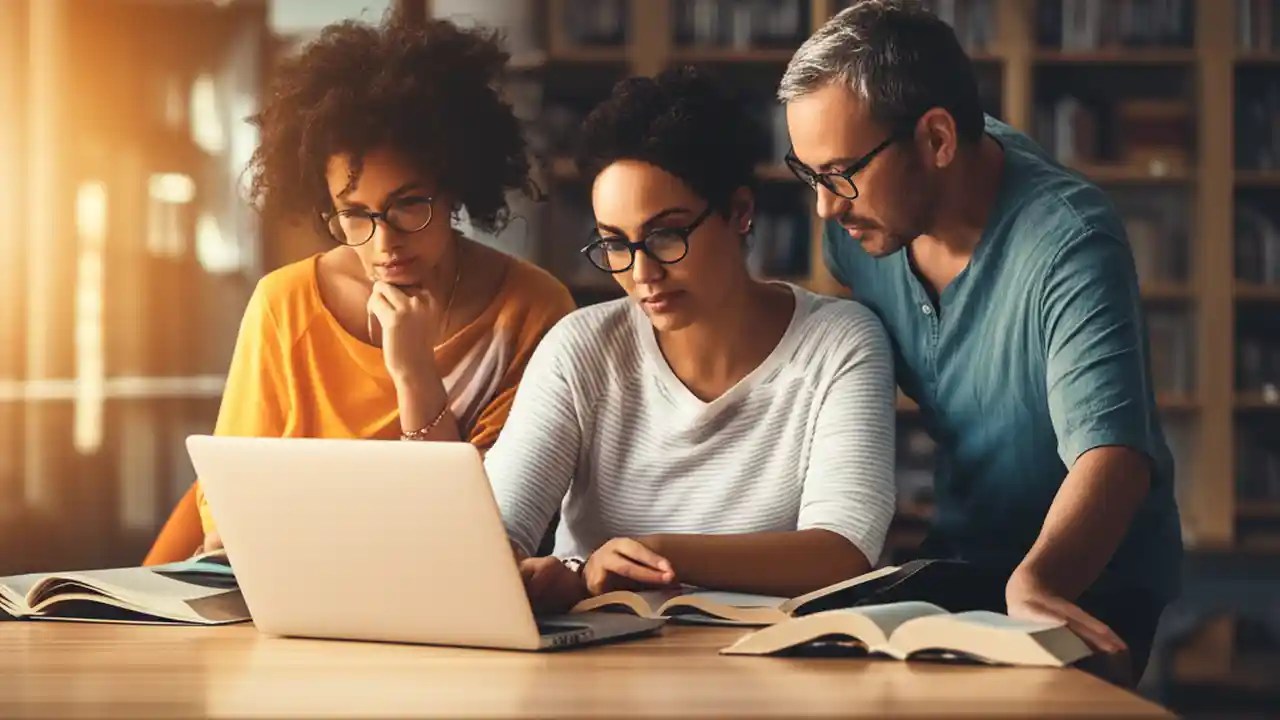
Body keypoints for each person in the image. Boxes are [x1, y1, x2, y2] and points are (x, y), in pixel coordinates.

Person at [779, 0, 1181, 680]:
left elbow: (1113, 455)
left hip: (1086, 577)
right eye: (811, 175)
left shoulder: (1070, 243)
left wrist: (1039, 582)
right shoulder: (858, 232)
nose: (825, 206)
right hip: (963, 554)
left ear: (937, 141)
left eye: (841, 173)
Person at [484, 68, 897, 614]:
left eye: (665, 235)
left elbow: (844, 551)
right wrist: (561, 578)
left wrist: (651, 555)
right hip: (600, 665)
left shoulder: (838, 344)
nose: (642, 272)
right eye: (615, 244)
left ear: (741, 213)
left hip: (770, 665)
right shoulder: (582, 349)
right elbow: (492, 532)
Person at [192, 14, 575, 551]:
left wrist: (415, 371)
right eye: (354, 214)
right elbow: (225, 496)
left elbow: (477, 529)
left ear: (454, 189)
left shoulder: (532, 309)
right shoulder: (285, 303)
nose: (383, 243)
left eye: (407, 206)